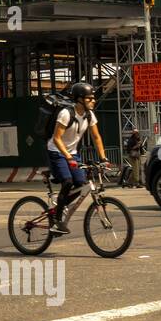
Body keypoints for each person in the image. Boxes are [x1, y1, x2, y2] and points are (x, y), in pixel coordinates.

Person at [48, 82, 111, 234]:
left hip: (72, 153)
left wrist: (103, 158)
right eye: (90, 98)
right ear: (80, 99)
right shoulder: (66, 113)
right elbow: (56, 138)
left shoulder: (89, 115)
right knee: (68, 181)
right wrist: (69, 157)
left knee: (82, 185)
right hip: (57, 151)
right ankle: (56, 220)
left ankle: (60, 205)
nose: (93, 101)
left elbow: (96, 137)